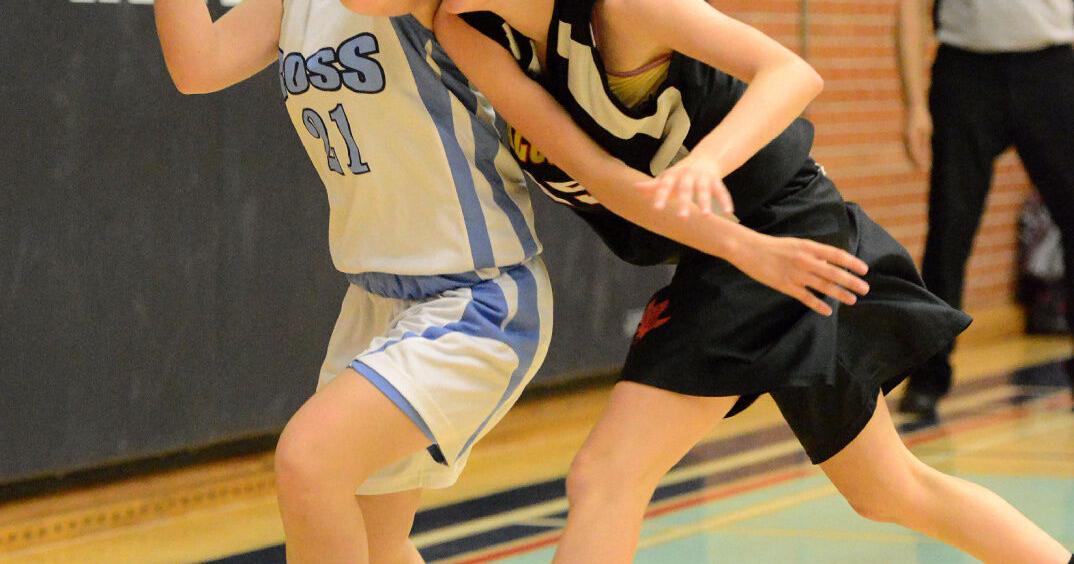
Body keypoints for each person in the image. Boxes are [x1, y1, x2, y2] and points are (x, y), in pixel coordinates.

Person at [433, 0, 1074, 562]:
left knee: (606, 476)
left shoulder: (625, 10)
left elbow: (795, 73)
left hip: (780, 224)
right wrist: (734, 242)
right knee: (888, 491)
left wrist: (708, 165)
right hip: (731, 248)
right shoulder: (469, 32)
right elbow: (608, 182)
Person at [154, 1, 559, 561]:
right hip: (377, 301)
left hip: (476, 297)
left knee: (309, 462)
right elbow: (197, 65)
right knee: (377, 547)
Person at [897, 0, 1074, 417]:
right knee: (948, 231)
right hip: (966, 72)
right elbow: (910, 10)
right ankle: (929, 375)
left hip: (1052, 69)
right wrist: (914, 105)